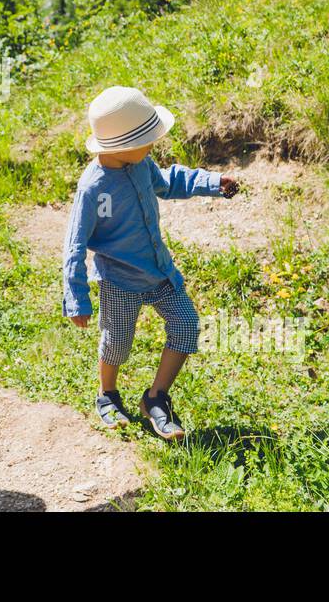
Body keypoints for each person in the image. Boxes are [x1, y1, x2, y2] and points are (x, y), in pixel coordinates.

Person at [62, 85, 239, 440]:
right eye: (149, 138)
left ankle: (155, 397)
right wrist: (76, 297)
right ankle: (107, 394)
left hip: (159, 273)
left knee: (187, 325)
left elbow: (170, 181)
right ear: (122, 146)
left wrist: (212, 182)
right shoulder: (94, 189)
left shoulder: (141, 164)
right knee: (117, 343)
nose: (154, 145)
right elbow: (75, 244)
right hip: (120, 280)